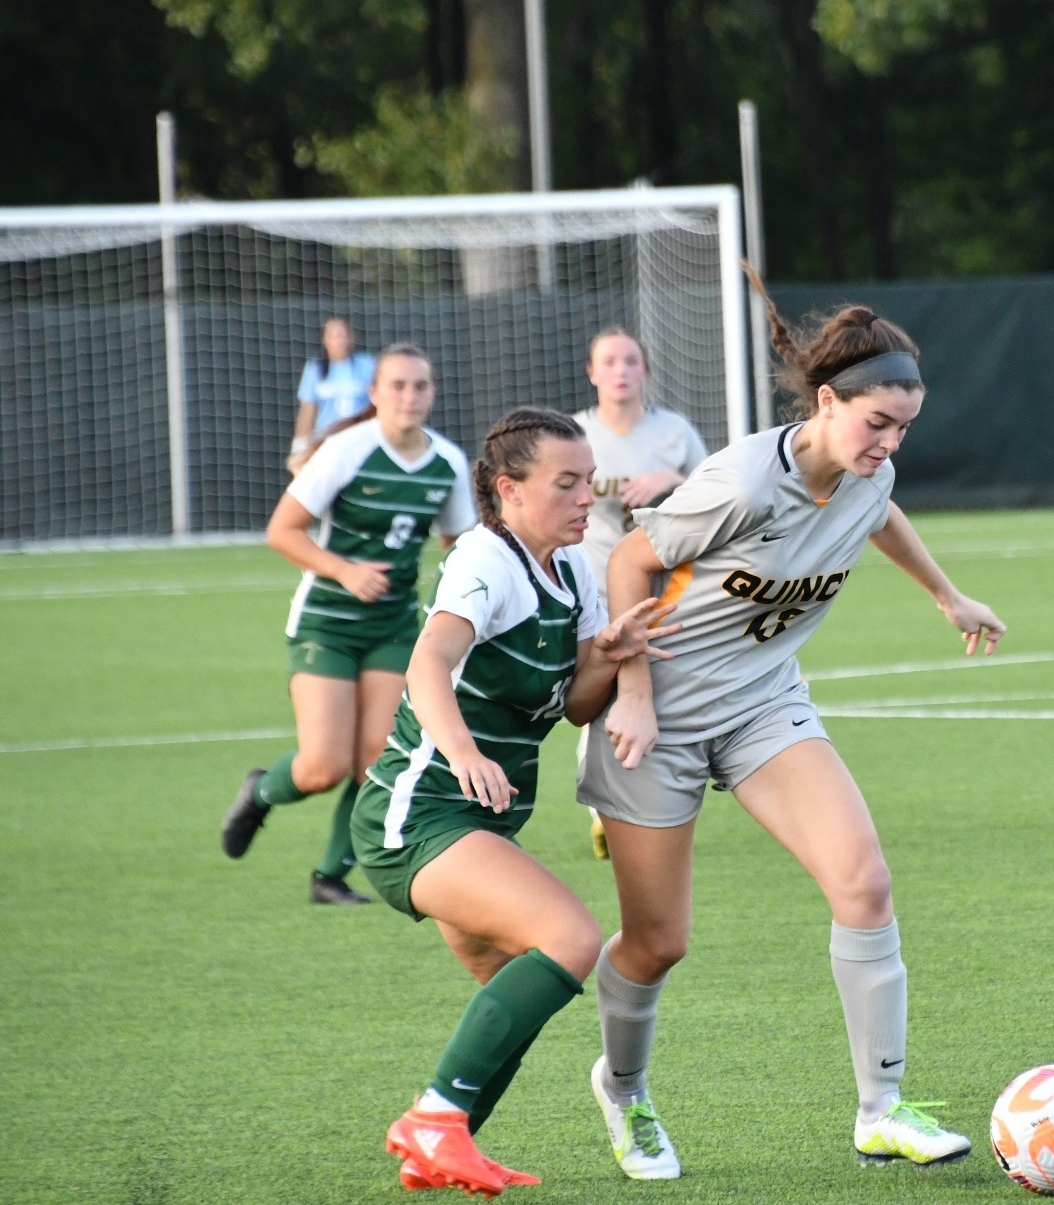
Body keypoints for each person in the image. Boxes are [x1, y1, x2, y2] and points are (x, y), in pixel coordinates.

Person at [580, 283, 1007, 1179]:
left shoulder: (870, 474)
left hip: (764, 704)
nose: (890, 445)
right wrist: (634, 694)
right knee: (659, 941)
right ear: (827, 402)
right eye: (878, 423)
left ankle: (881, 1109)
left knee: (865, 882)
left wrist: (946, 593)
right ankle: (623, 1091)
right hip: (660, 710)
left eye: (904, 429)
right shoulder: (740, 481)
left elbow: (878, 511)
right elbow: (629, 558)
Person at [351, 406, 678, 1195]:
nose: (583, 497)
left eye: (587, 480)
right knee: (570, 937)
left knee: (513, 992)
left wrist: (609, 653)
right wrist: (463, 752)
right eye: (565, 483)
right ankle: (434, 1120)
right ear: (509, 490)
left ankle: (441, 1145)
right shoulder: (485, 559)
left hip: (474, 824)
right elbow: (430, 660)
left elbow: (573, 702)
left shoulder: (570, 571)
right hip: (417, 815)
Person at [221, 345, 474, 905]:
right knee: (322, 766)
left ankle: (329, 876)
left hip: (394, 628)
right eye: (399, 385)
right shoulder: (346, 450)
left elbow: (460, 548)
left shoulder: (448, 463)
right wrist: (346, 571)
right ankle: (260, 793)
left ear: (433, 392)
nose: (410, 396)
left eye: (421, 386)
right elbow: (283, 530)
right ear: (374, 394)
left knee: (374, 760)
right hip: (326, 625)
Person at [570, 328, 707, 857]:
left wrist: (670, 478)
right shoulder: (577, 433)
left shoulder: (673, 432)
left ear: (645, 370)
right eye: (609, 361)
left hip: (655, 590)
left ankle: (639, 802)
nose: (621, 370)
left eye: (631, 360)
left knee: (655, 695)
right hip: (589, 587)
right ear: (592, 373)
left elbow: (717, 496)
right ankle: (604, 809)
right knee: (598, 694)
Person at [290, 316, 378, 474]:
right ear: (325, 340)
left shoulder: (368, 365)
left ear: (351, 339)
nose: (340, 341)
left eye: (344, 335)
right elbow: (308, 410)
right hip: (328, 441)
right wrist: (300, 446)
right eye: (335, 336)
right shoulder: (315, 369)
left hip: (361, 440)